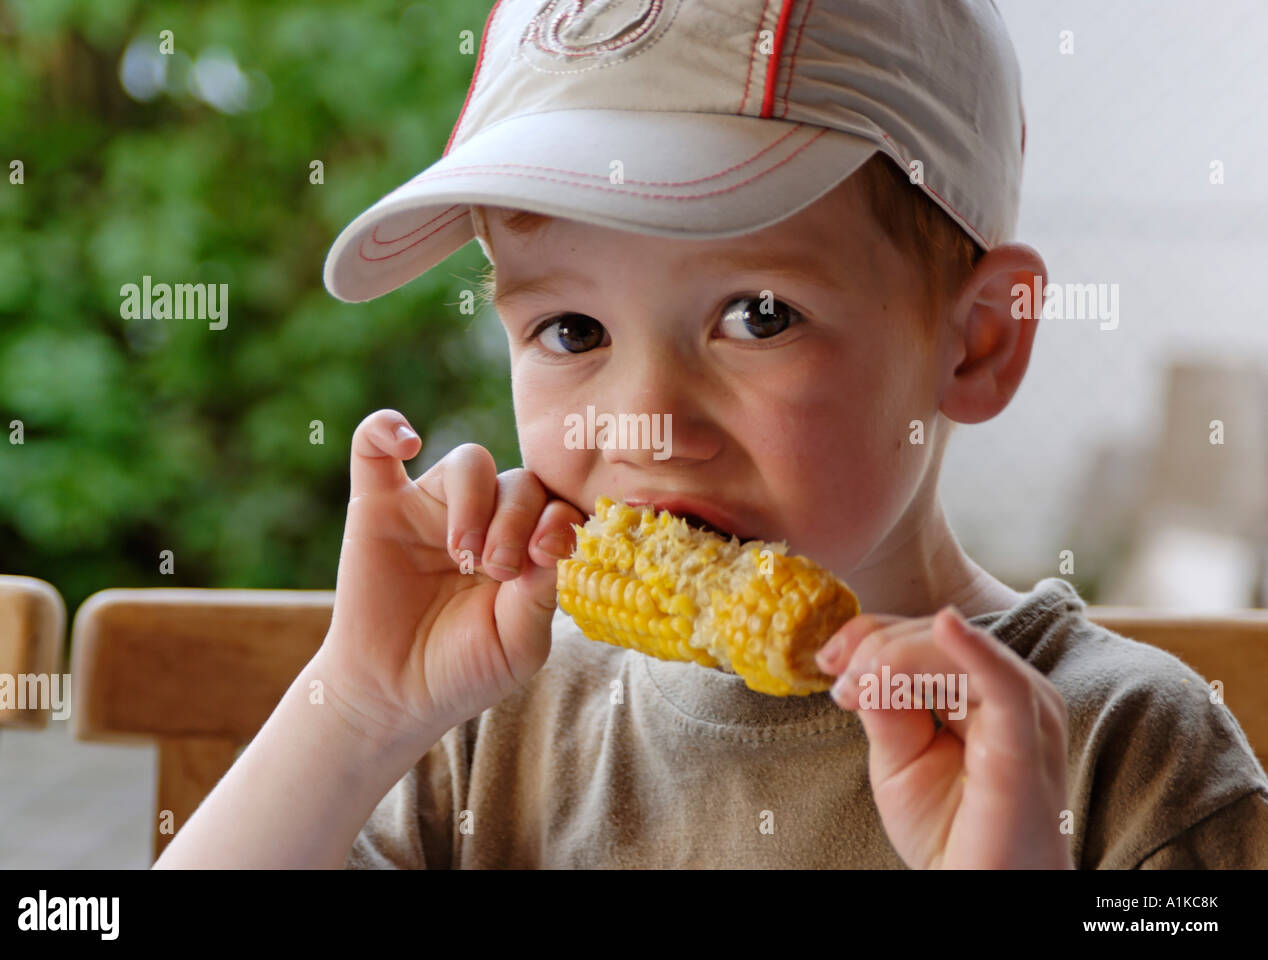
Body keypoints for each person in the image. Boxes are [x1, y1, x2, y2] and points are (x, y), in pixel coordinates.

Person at [154, 0, 1268, 869]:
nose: (649, 423)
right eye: (571, 327)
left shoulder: (1131, 757)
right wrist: (354, 712)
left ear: (974, 344)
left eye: (758, 316)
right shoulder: (488, 724)